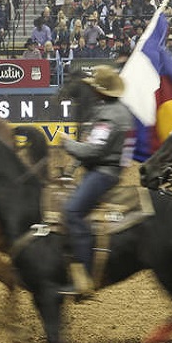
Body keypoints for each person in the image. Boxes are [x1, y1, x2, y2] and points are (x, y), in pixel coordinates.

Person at [60, 65, 134, 298]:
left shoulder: (108, 116)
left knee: (72, 212)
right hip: (109, 169)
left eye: (94, 88)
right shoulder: (118, 111)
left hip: (104, 173)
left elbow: (93, 151)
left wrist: (67, 144)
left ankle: (85, 275)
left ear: (101, 91)